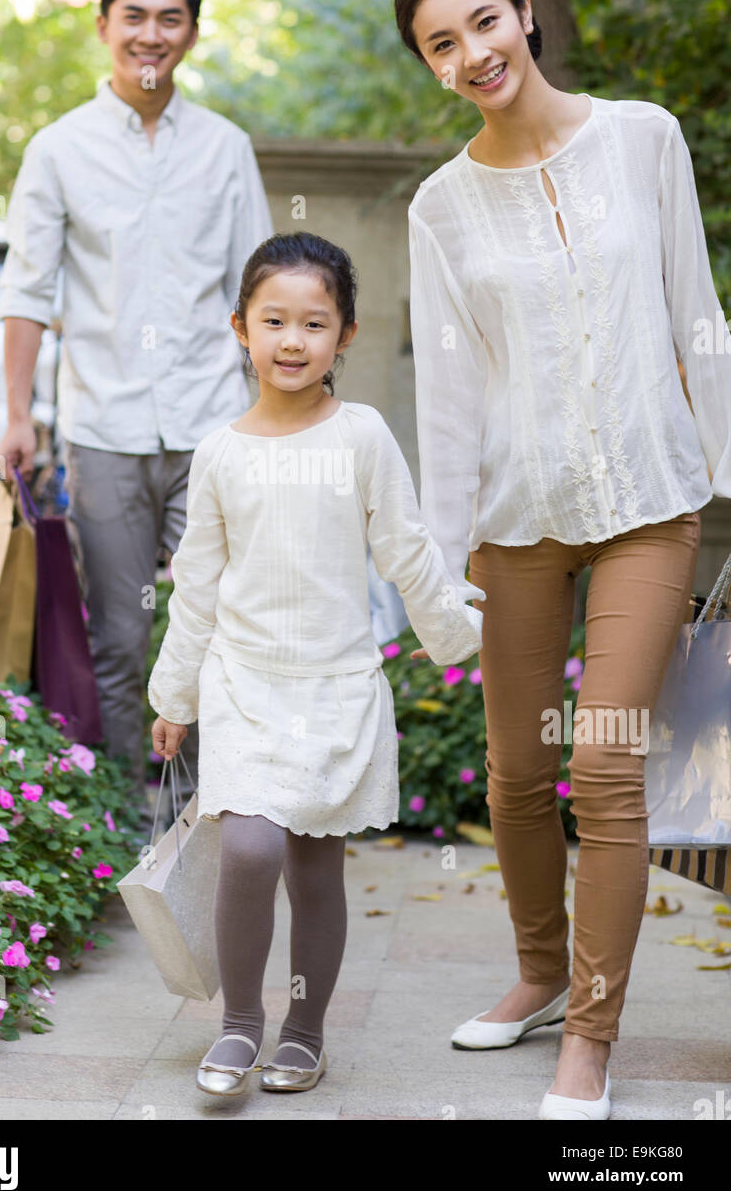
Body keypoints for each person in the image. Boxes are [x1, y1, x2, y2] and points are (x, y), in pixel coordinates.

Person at [394, 0, 731, 1120]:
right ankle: (538, 971)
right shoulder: (438, 209)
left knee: (603, 760)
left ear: (524, 11)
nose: (471, 53)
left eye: (482, 22)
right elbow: (447, 399)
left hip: (649, 495)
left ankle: (588, 1034)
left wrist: (727, 472)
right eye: (442, 42)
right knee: (518, 767)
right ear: (430, 65)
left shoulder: (641, 137)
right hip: (517, 517)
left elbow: (697, 315)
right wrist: (441, 573)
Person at [147, 231, 484, 1096]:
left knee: (314, 865)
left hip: (335, 686)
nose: (292, 341)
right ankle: (237, 1027)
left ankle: (303, 1031)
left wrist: (460, 633)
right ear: (240, 328)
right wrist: (175, 693)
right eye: (274, 321)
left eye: (314, 323)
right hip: (244, 682)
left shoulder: (364, 437)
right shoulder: (219, 452)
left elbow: (406, 551)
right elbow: (197, 585)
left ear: (346, 336)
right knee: (251, 849)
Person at [0, 0, 272, 823]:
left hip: (215, 428)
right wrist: (18, 418)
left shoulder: (226, 149)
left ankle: (215, 819)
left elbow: (261, 287)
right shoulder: (59, 149)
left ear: (191, 30)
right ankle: (124, 829)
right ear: (106, 23)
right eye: (135, 16)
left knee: (226, 630)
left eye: (171, 18)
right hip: (106, 428)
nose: (152, 34)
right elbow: (27, 290)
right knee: (121, 637)